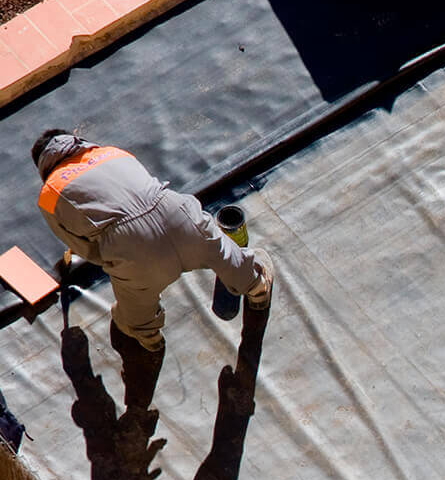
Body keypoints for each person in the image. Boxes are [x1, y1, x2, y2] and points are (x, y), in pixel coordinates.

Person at [33, 129, 273, 352]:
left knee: (134, 302)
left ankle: (149, 337)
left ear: (43, 166)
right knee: (219, 250)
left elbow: (83, 248)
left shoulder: (49, 194)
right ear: (75, 140)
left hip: (130, 247)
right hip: (175, 212)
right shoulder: (110, 152)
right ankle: (256, 286)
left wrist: (115, 258)